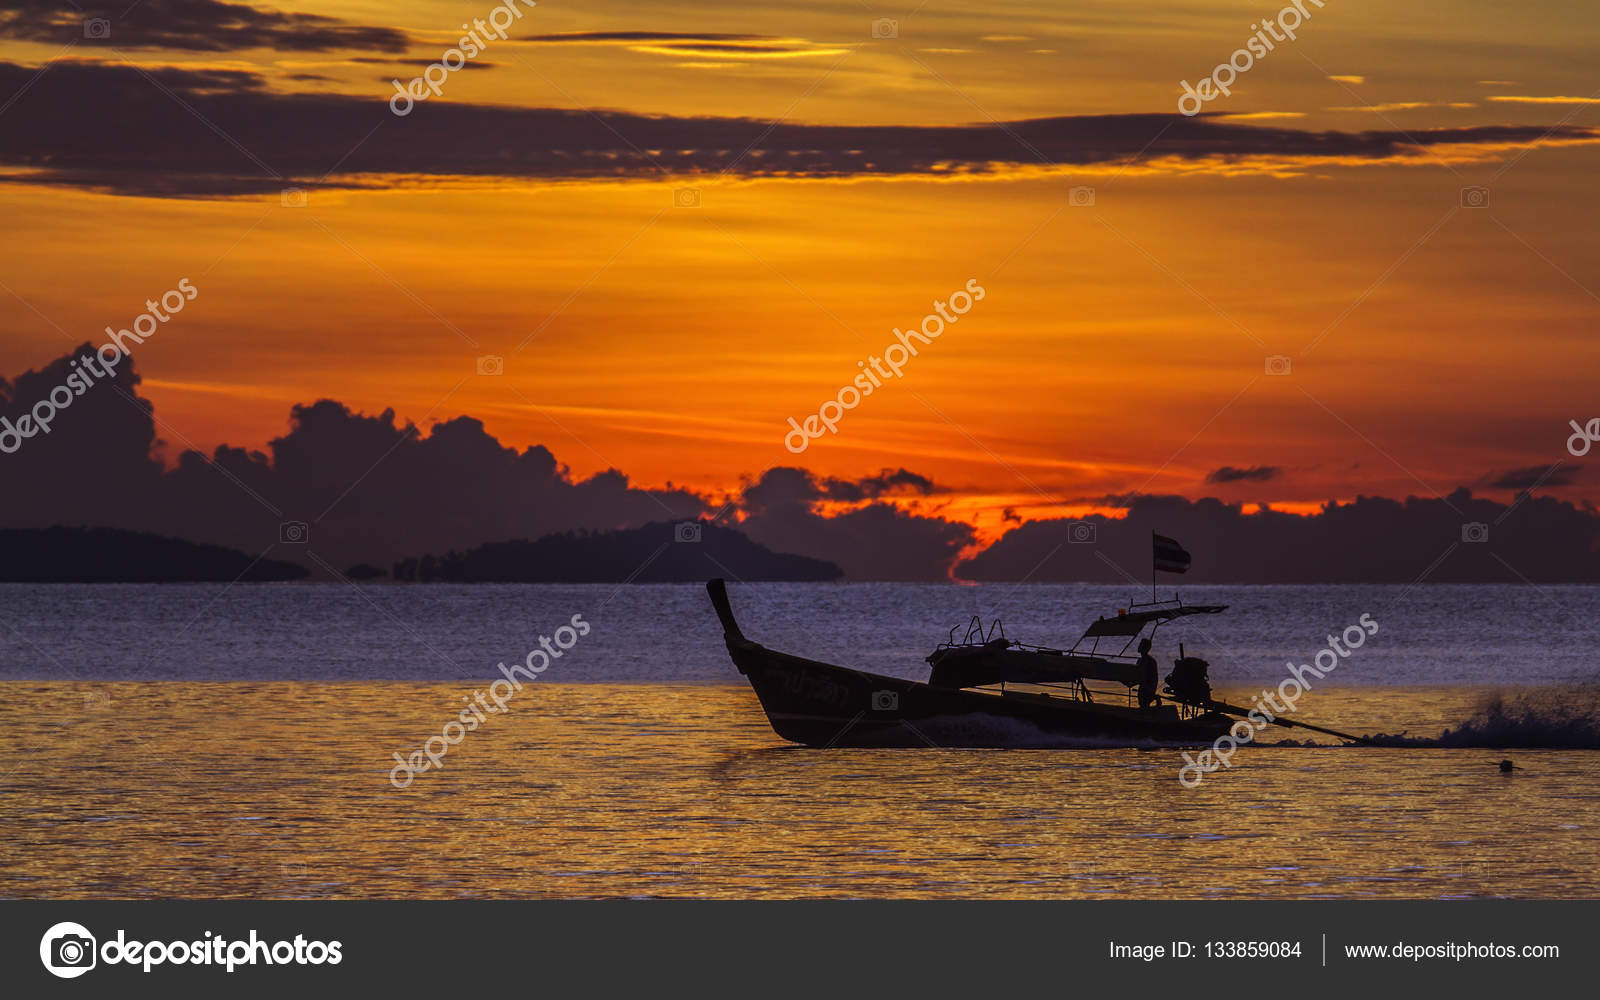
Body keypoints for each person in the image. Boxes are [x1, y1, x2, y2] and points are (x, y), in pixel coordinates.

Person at [1136, 638, 1158, 709]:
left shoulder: (1149, 661)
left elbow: (1153, 679)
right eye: (1139, 644)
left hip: (1147, 690)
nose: (1138, 646)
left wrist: (1150, 691)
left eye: (1140, 645)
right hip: (1144, 688)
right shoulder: (1141, 660)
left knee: (1144, 705)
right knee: (1142, 705)